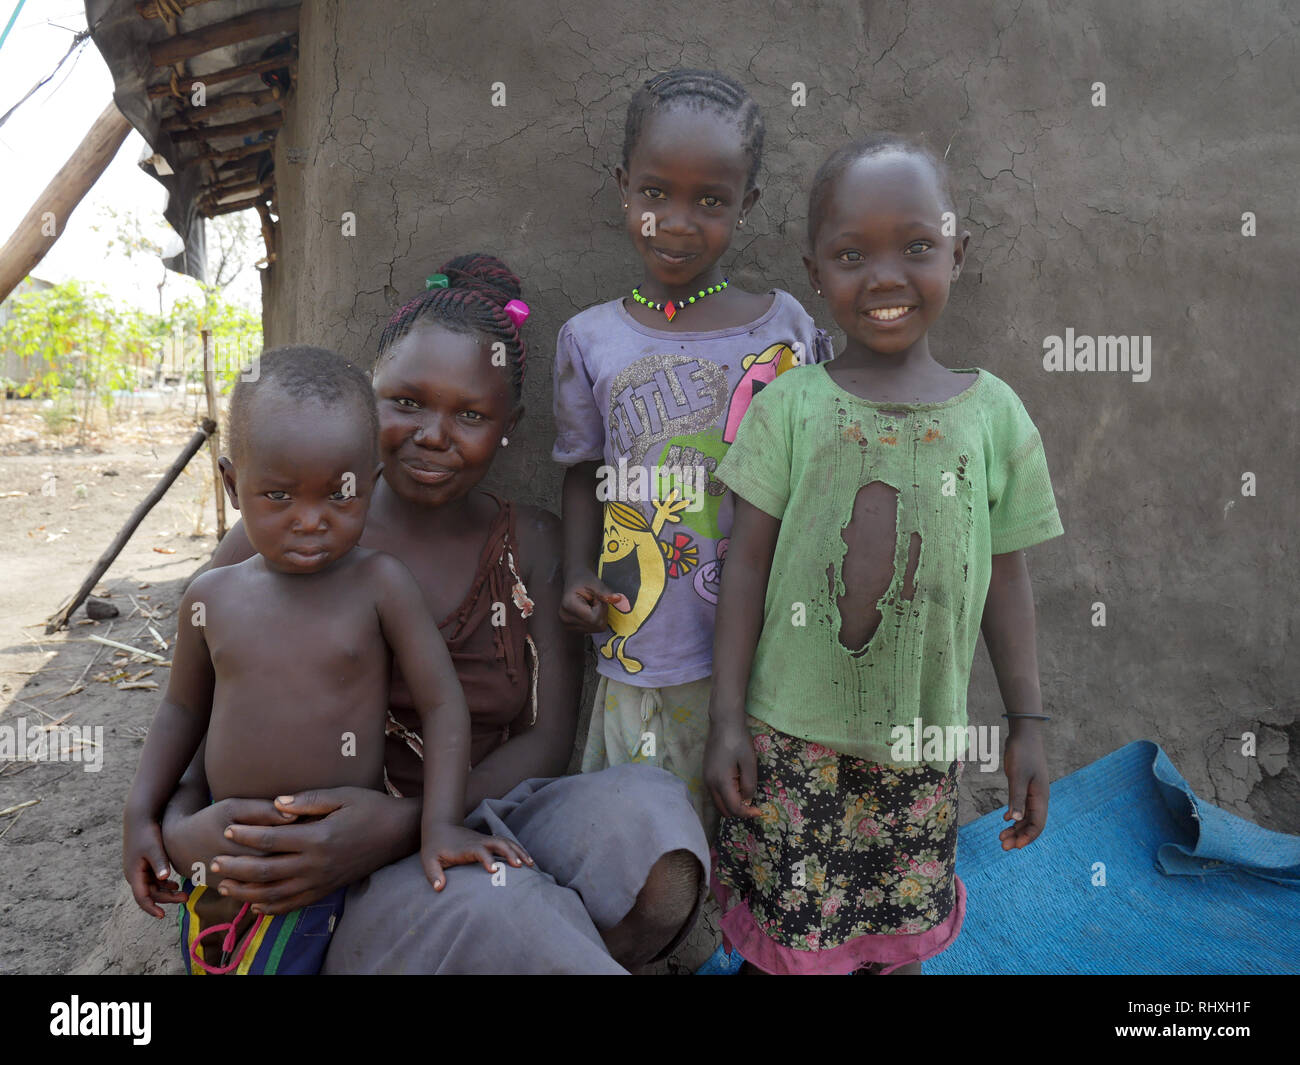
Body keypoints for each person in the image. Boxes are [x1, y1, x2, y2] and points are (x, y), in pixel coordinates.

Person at [154, 256, 710, 974]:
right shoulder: (280, 541)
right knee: (503, 909)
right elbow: (199, 710)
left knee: (652, 817)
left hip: (469, 821)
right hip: (331, 873)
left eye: (470, 414)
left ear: (508, 425)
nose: (433, 434)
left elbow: (546, 742)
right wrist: (174, 824)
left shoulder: (532, 544)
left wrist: (407, 823)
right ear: (367, 397)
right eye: (407, 402)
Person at [704, 135, 1064, 975]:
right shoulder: (789, 407)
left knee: (898, 940)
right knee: (787, 946)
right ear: (815, 270)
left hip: (919, 745)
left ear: (957, 253)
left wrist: (1028, 725)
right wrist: (727, 719)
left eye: (916, 247)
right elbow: (745, 569)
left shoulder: (995, 415)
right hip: (789, 742)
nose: (886, 276)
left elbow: (1006, 578)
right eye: (851, 254)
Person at [121, 346, 527, 975]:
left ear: (370, 481)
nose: (309, 522)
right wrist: (141, 813)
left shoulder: (381, 586)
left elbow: (444, 704)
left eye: (337, 496)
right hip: (228, 858)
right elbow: (182, 710)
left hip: (333, 855)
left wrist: (439, 826)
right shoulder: (210, 598)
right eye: (278, 496)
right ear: (232, 485)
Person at [555, 70, 833, 839]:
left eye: (710, 201)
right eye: (654, 193)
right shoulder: (590, 338)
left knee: (761, 835)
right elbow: (583, 469)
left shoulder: (784, 331)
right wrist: (578, 569)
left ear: (745, 205)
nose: (676, 222)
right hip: (644, 644)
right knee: (644, 843)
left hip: (770, 655)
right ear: (623, 189)